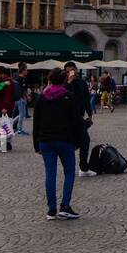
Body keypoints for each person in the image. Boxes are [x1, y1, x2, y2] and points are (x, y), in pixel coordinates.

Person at [33, 69, 82, 219]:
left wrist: (36, 144)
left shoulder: (42, 97)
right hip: (65, 140)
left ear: (50, 80)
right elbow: (76, 121)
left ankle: (51, 209)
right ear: (63, 80)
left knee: (50, 173)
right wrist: (78, 141)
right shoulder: (69, 96)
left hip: (46, 141)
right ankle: (65, 206)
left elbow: (37, 121)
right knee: (69, 172)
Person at [64, 63, 97, 179]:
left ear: (76, 70)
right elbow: (63, 96)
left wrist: (90, 114)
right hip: (67, 118)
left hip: (79, 117)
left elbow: (86, 99)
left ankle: (83, 168)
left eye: (72, 70)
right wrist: (68, 82)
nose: (71, 73)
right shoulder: (65, 83)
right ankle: (73, 168)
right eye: (68, 72)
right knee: (70, 143)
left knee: (85, 140)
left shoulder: (82, 83)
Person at [12, 62, 30, 135]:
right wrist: (26, 97)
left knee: (20, 114)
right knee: (22, 114)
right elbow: (22, 89)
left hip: (16, 98)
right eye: (26, 70)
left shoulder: (16, 78)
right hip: (20, 98)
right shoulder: (22, 78)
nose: (27, 71)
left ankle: (11, 124)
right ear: (23, 71)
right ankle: (19, 130)